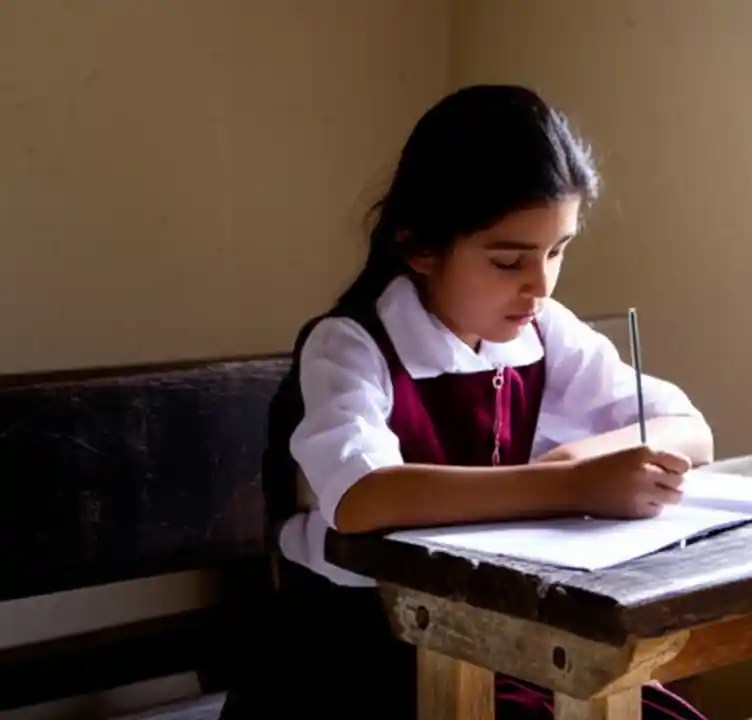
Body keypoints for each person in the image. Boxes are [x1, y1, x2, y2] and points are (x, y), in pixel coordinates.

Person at [219, 85, 714, 719]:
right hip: (355, 666)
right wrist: (566, 486)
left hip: (488, 647)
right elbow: (364, 498)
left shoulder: (542, 332)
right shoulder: (349, 346)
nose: (539, 284)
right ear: (421, 246)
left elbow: (689, 429)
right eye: (509, 260)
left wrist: (576, 460)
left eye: (557, 252)